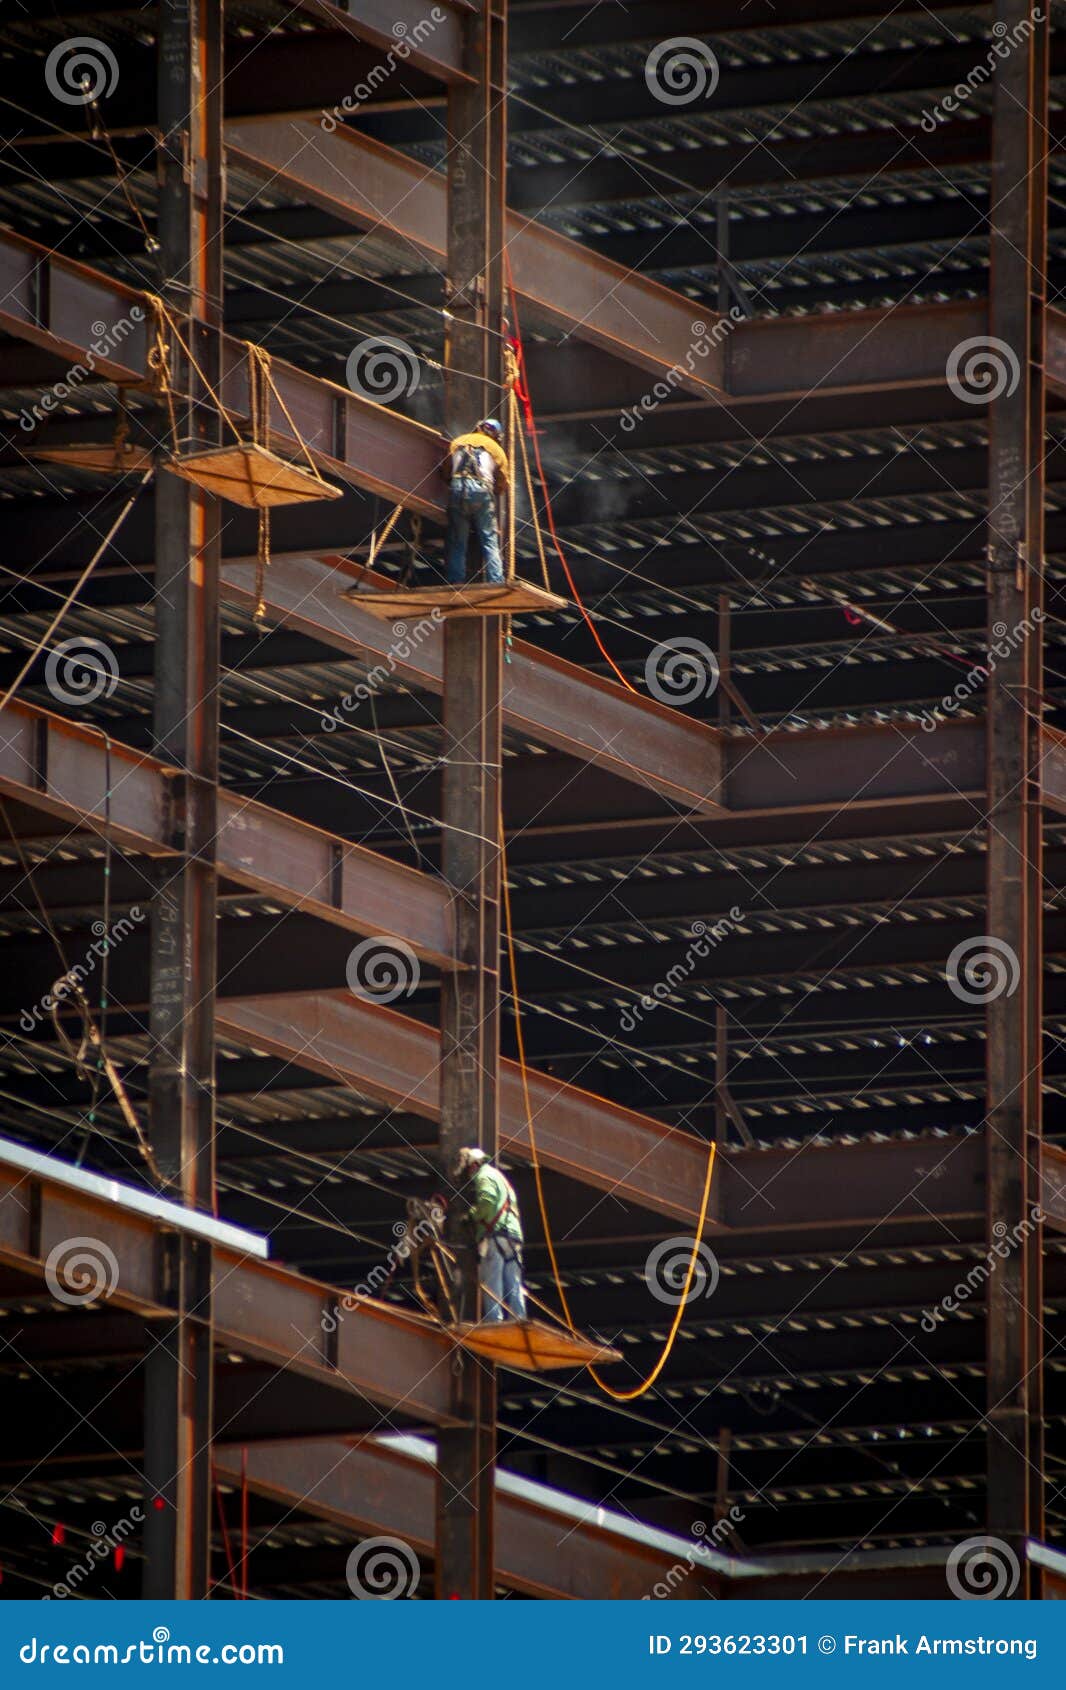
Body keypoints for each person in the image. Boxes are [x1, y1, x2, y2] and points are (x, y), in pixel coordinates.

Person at [453, 1145, 526, 1322]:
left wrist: (472, 1215)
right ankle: (519, 1320)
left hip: (496, 1235)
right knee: (513, 1282)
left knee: (491, 1281)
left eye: (469, 1170)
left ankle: (494, 1321)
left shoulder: (483, 1176)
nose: (470, 1174)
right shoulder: (500, 1177)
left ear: (473, 1165)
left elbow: (487, 1201)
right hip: (513, 1236)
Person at [443, 418, 509, 586]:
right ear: (495, 435)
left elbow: (445, 470)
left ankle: (455, 581)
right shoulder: (496, 450)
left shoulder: (457, 442)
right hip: (481, 490)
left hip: (457, 488)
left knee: (458, 540)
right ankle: (496, 581)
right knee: (489, 539)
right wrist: (496, 492)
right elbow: (502, 482)